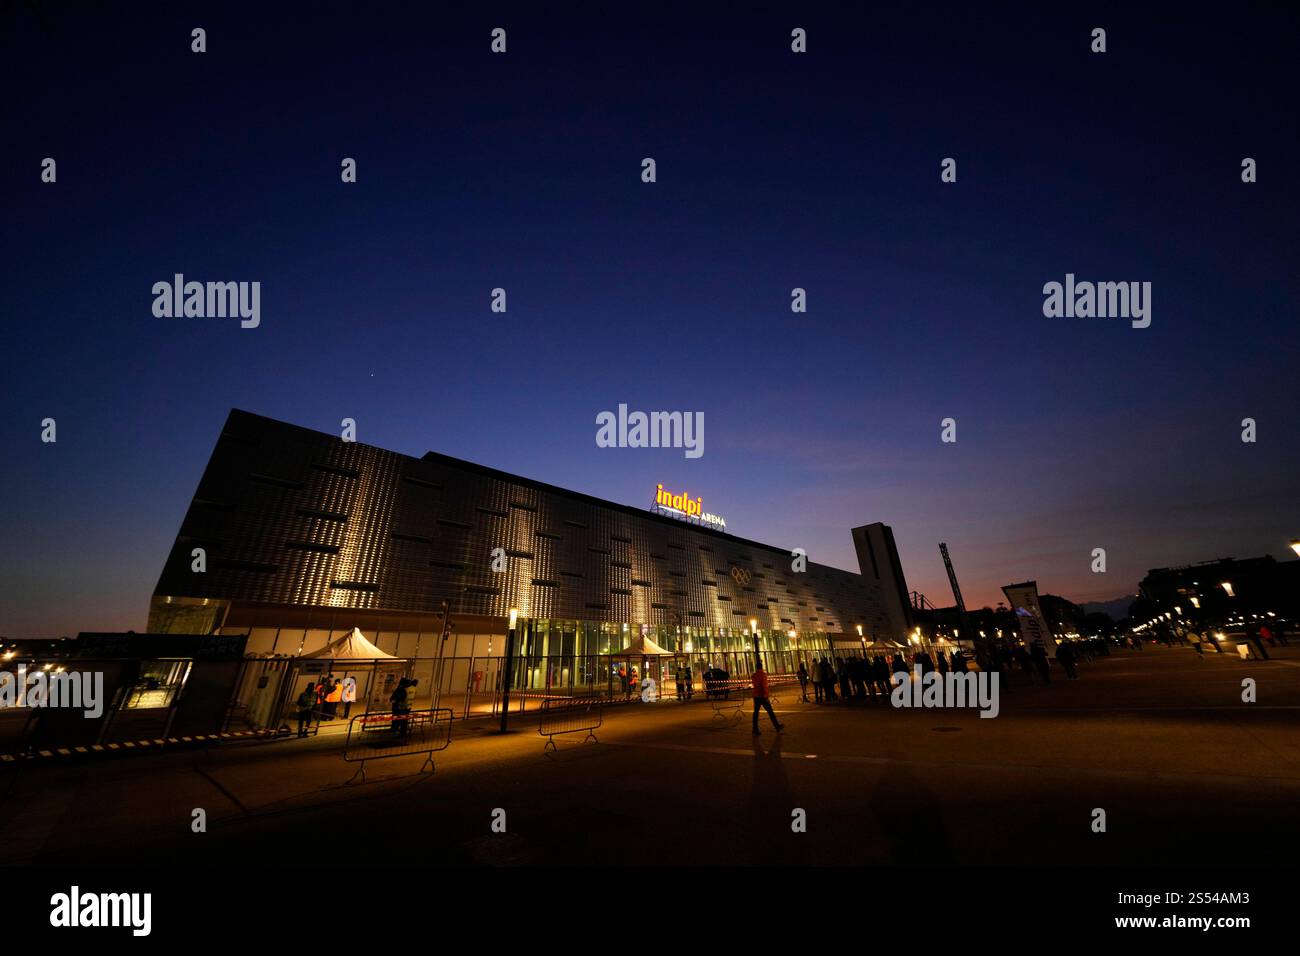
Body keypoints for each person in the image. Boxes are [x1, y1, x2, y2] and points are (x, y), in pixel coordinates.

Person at [751, 660, 784, 735]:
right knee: (770, 712)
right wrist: (766, 696)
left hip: (756, 696)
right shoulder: (763, 674)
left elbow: (755, 684)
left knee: (756, 712)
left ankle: (755, 728)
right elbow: (764, 686)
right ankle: (777, 726)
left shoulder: (753, 675)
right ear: (761, 667)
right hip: (762, 696)